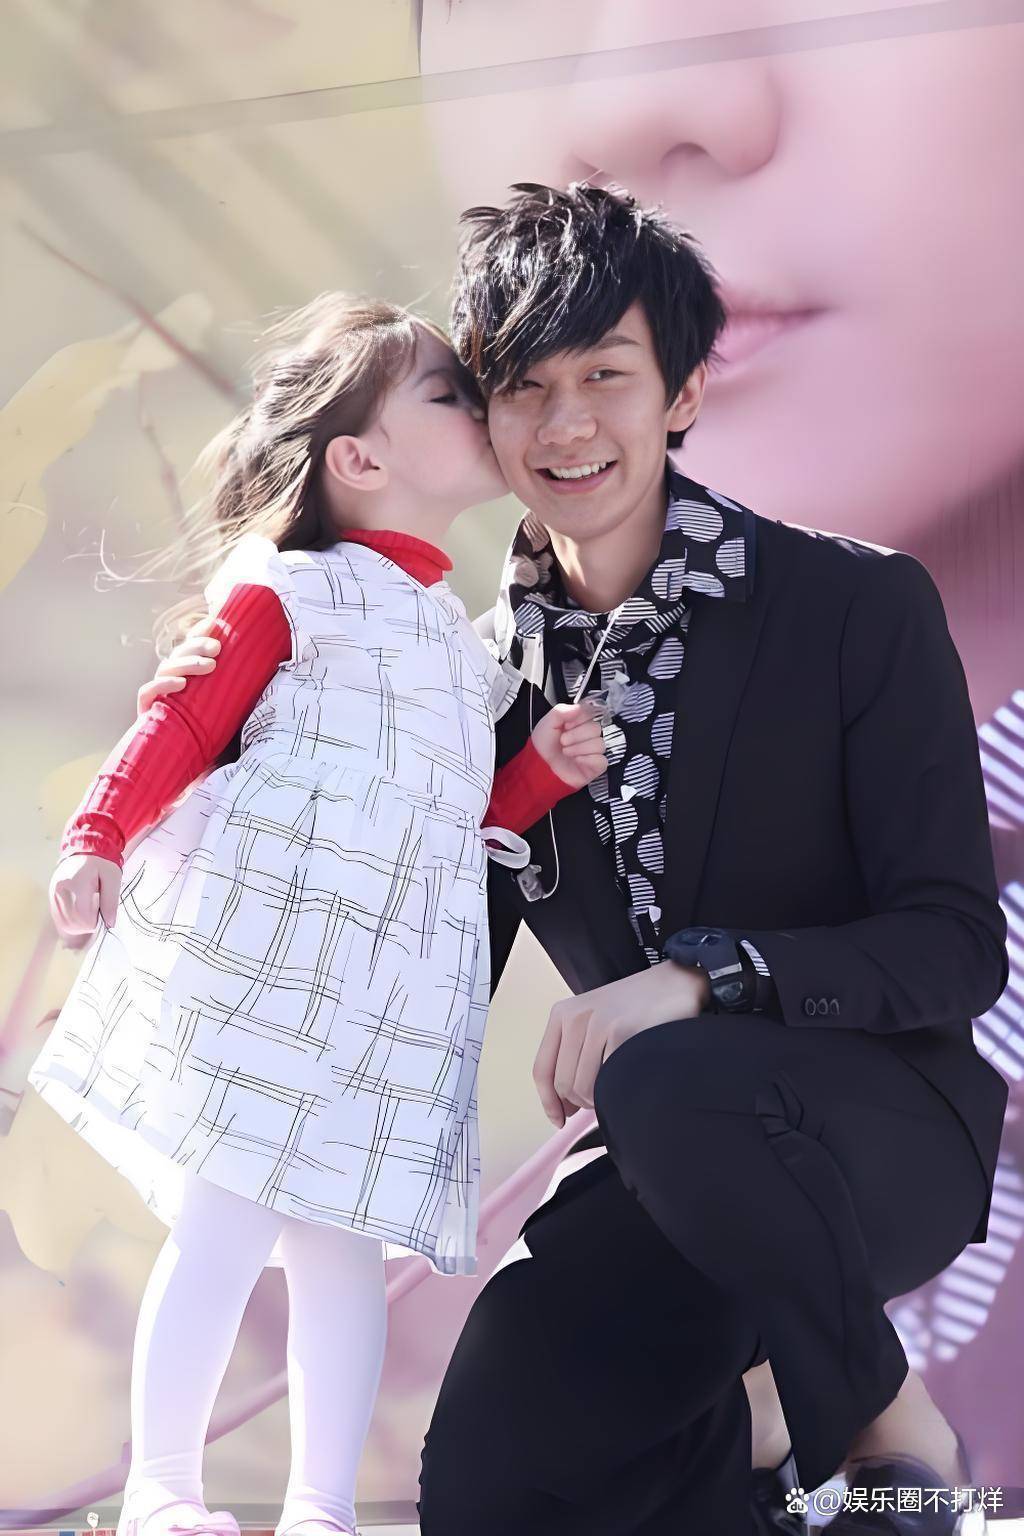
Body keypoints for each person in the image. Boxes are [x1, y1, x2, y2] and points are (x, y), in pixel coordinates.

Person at [146, 187, 1010, 1535]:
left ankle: (887, 1425)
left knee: (661, 1067)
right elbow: (417, 935)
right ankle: (755, 1433)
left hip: (875, 1135)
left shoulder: (852, 605)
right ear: (484, 418)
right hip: (660, 1166)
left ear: (683, 393)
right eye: (523, 387)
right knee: (496, 1489)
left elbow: (954, 950)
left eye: (606, 376)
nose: (564, 426)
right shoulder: (460, 686)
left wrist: (698, 979)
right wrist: (223, 740)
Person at [27, 292, 608, 1536]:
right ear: (358, 459)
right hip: (270, 967)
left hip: (387, 995)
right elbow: (184, 720)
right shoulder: (292, 590)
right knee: (229, 1218)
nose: (480, 404)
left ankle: (321, 1508)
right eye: (448, 392)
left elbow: (448, 821)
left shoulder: (460, 648)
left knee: (343, 1248)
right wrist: (98, 833)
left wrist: (538, 773)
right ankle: (163, 1491)